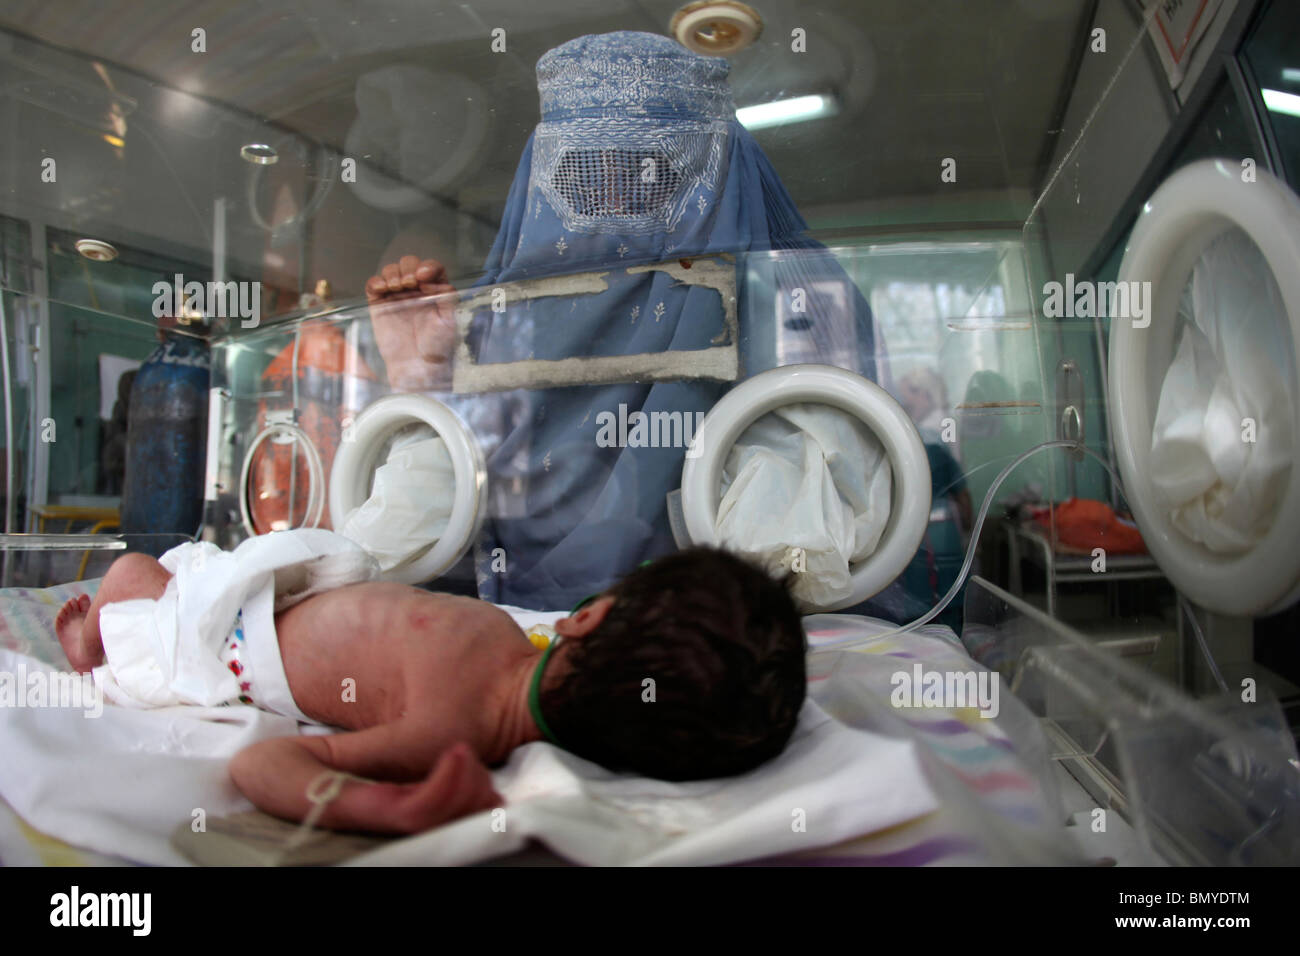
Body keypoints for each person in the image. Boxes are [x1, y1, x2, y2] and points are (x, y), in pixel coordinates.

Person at [365, 31, 881, 611]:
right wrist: (429, 386)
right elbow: (415, 534)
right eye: (581, 174)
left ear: (717, 167)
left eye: (647, 166)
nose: (612, 197)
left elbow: (797, 559)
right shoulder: (505, 316)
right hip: (514, 650)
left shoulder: (798, 295)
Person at [55, 543, 805, 834]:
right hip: (271, 606)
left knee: (131, 572)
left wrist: (390, 805)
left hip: (232, 645)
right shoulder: (517, 650)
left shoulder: (450, 733)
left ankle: (98, 653)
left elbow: (261, 767)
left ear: (587, 618)